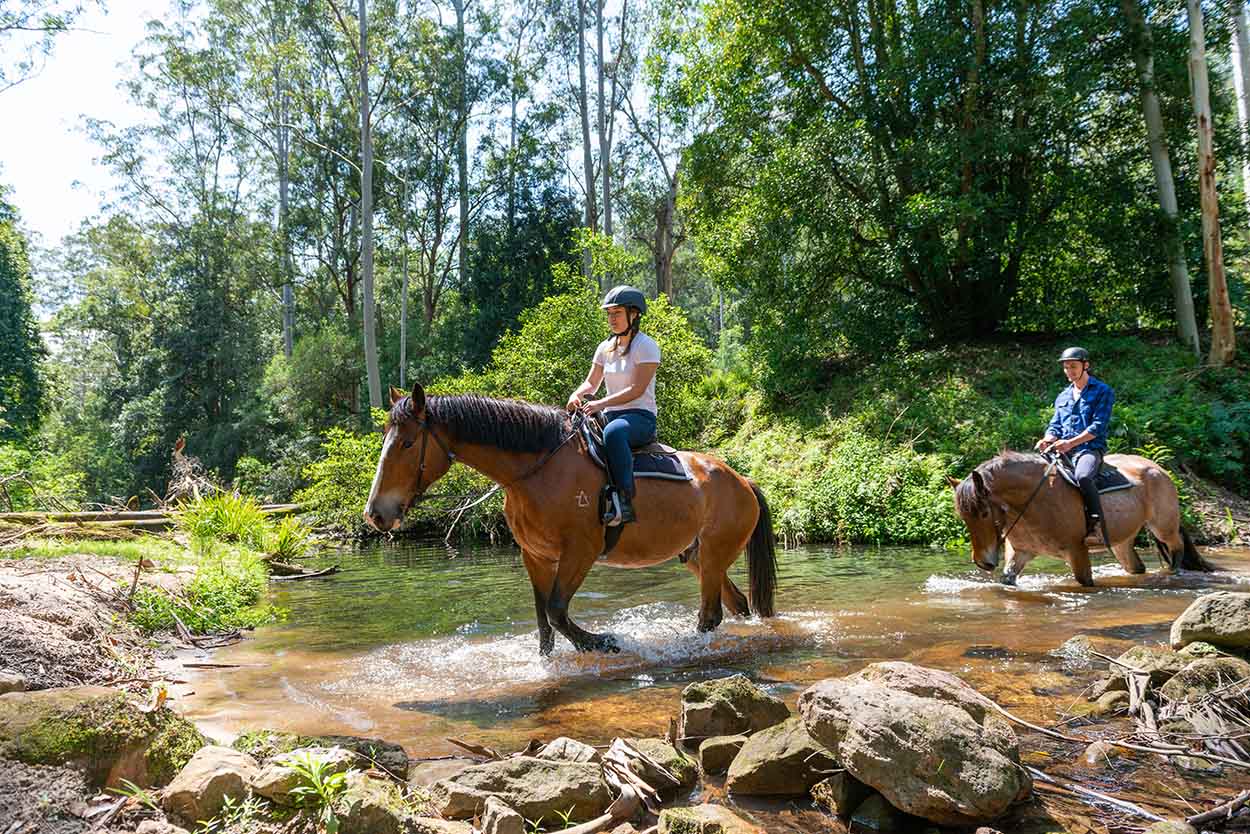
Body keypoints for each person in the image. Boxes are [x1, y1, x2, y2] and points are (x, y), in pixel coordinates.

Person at [567, 286, 661, 526]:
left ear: (634, 314)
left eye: (617, 313)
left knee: (614, 432)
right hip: (610, 413)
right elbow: (591, 382)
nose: (612, 319)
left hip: (640, 417)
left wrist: (599, 404)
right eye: (609, 314)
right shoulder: (605, 348)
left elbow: (636, 390)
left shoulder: (646, 346)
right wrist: (576, 394)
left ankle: (624, 501)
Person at [1035, 346, 1116, 547]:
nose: (1069, 371)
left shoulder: (1103, 391)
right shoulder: (1062, 396)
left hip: (1089, 449)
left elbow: (1098, 426)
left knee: (1083, 477)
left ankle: (1096, 525)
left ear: (1085, 365)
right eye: (1066, 368)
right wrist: (1047, 439)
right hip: (1062, 450)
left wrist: (1070, 443)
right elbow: (1055, 425)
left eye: (1073, 366)